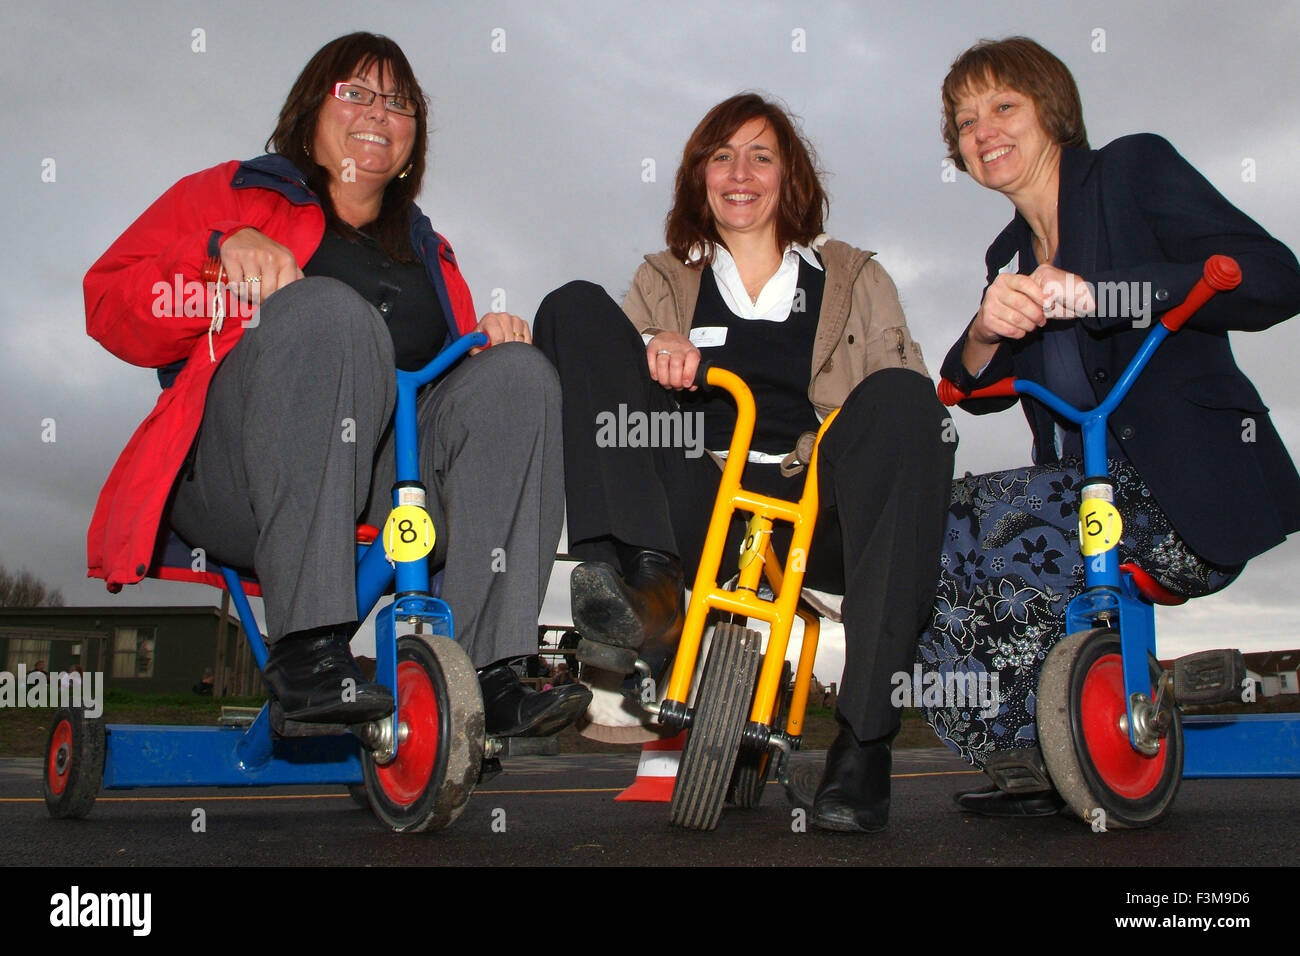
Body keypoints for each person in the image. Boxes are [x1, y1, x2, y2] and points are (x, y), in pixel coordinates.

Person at [84, 33, 590, 736]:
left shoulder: (430, 251)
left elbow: (448, 408)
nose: (379, 113)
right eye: (356, 92)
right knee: (328, 311)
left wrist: (487, 355)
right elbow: (108, 306)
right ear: (309, 111)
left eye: (400, 102)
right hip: (239, 478)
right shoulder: (235, 194)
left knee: (519, 377)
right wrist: (215, 255)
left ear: (416, 138)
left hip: (383, 489)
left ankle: (489, 670)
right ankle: (309, 647)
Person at [534, 93, 954, 832]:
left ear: (789, 176)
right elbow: (617, 405)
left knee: (907, 401)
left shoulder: (855, 279)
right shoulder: (664, 278)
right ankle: (646, 593)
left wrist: (861, 424)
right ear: (699, 178)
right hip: (698, 501)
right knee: (571, 307)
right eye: (720, 156)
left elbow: (898, 417)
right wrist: (655, 342)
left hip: (815, 509)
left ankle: (864, 742)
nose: (740, 172)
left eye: (761, 155)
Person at [920, 37, 1300, 815]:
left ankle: (1058, 725)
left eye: (1003, 106)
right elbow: (973, 385)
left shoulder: (1131, 170)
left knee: (978, 521)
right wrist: (988, 330)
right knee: (925, 534)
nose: (982, 129)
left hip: (1185, 488)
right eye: (964, 120)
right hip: (1083, 496)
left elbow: (1272, 277)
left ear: (1050, 113)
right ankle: (1023, 747)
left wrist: (1104, 293)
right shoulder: (1008, 254)